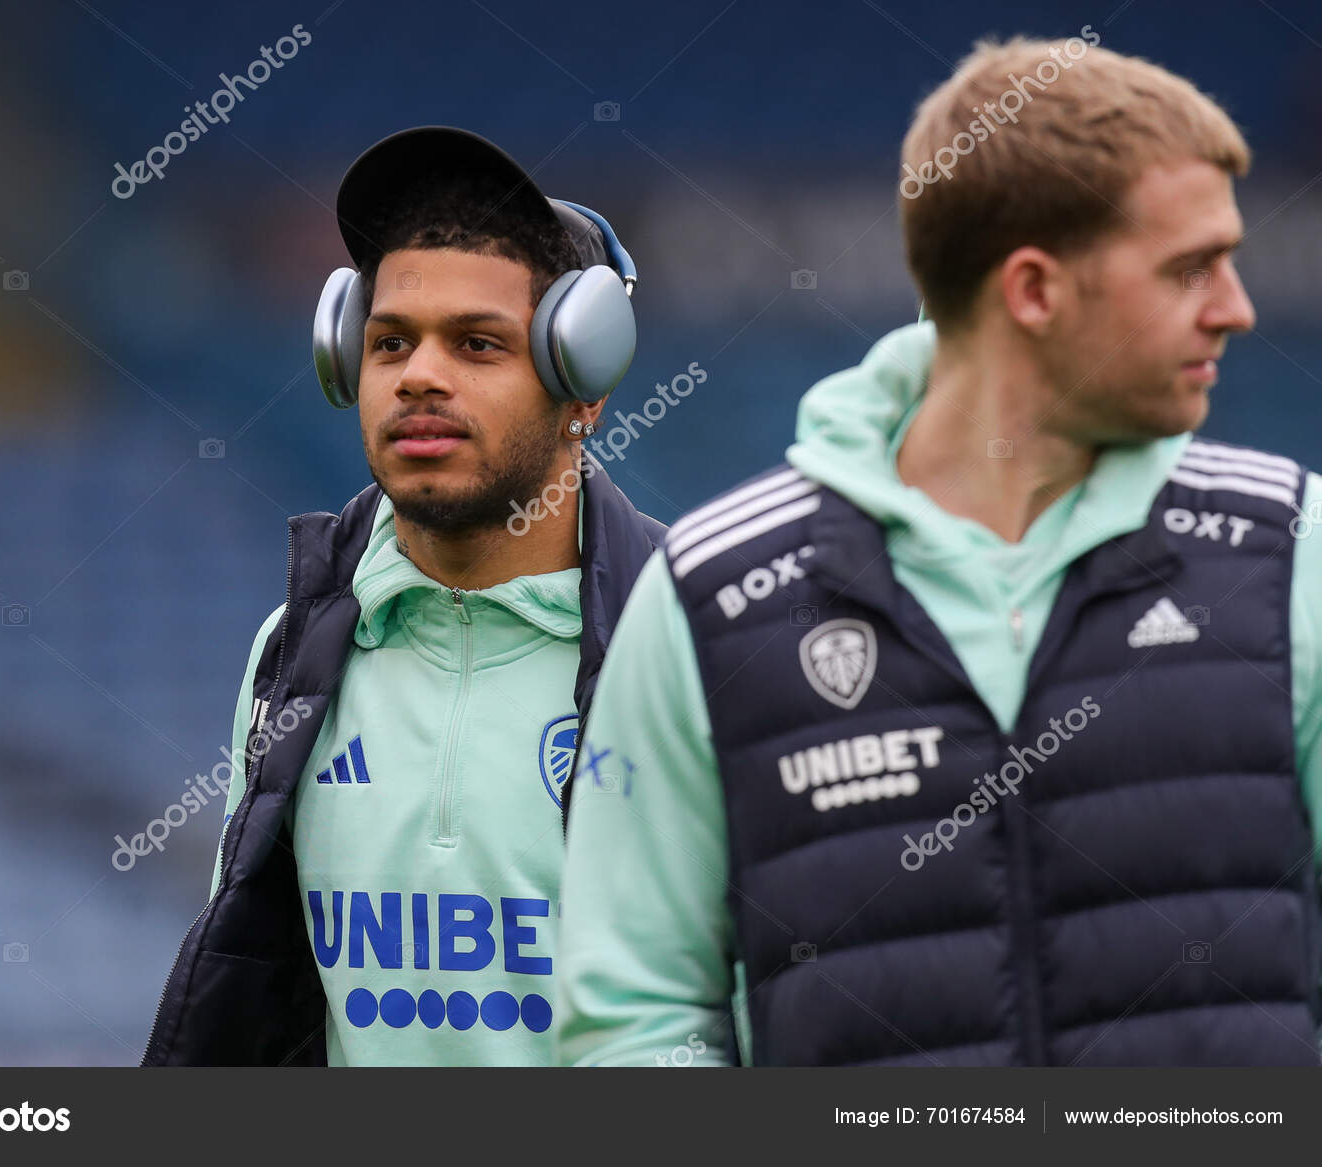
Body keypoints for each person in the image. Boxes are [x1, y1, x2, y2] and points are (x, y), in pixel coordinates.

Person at [557, 37, 1322, 1066]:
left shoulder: (1291, 552)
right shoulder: (710, 599)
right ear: (1035, 291)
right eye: (1190, 267)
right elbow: (632, 1022)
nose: (1236, 307)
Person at [142, 126, 663, 1065]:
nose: (420, 374)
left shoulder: (696, 648)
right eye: (390, 342)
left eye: (476, 343)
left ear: (584, 386)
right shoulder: (292, 656)